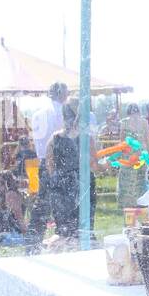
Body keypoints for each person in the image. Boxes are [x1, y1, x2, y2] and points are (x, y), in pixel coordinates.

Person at [46, 101, 98, 239]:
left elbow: (49, 165)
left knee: (64, 230)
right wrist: (109, 165)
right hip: (84, 186)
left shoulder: (54, 138)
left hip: (61, 187)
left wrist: (58, 183)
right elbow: (94, 165)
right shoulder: (87, 138)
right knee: (85, 229)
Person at [29, 80, 68, 234]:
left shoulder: (38, 113)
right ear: (61, 94)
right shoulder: (61, 112)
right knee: (62, 202)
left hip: (42, 160)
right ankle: (62, 235)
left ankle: (35, 237)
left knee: (43, 202)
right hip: (58, 161)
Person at [115, 102, 149, 211]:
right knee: (140, 178)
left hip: (129, 153)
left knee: (127, 179)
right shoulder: (144, 122)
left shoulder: (124, 122)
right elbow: (147, 139)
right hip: (141, 152)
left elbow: (122, 140)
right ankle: (141, 201)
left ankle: (128, 202)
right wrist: (148, 154)